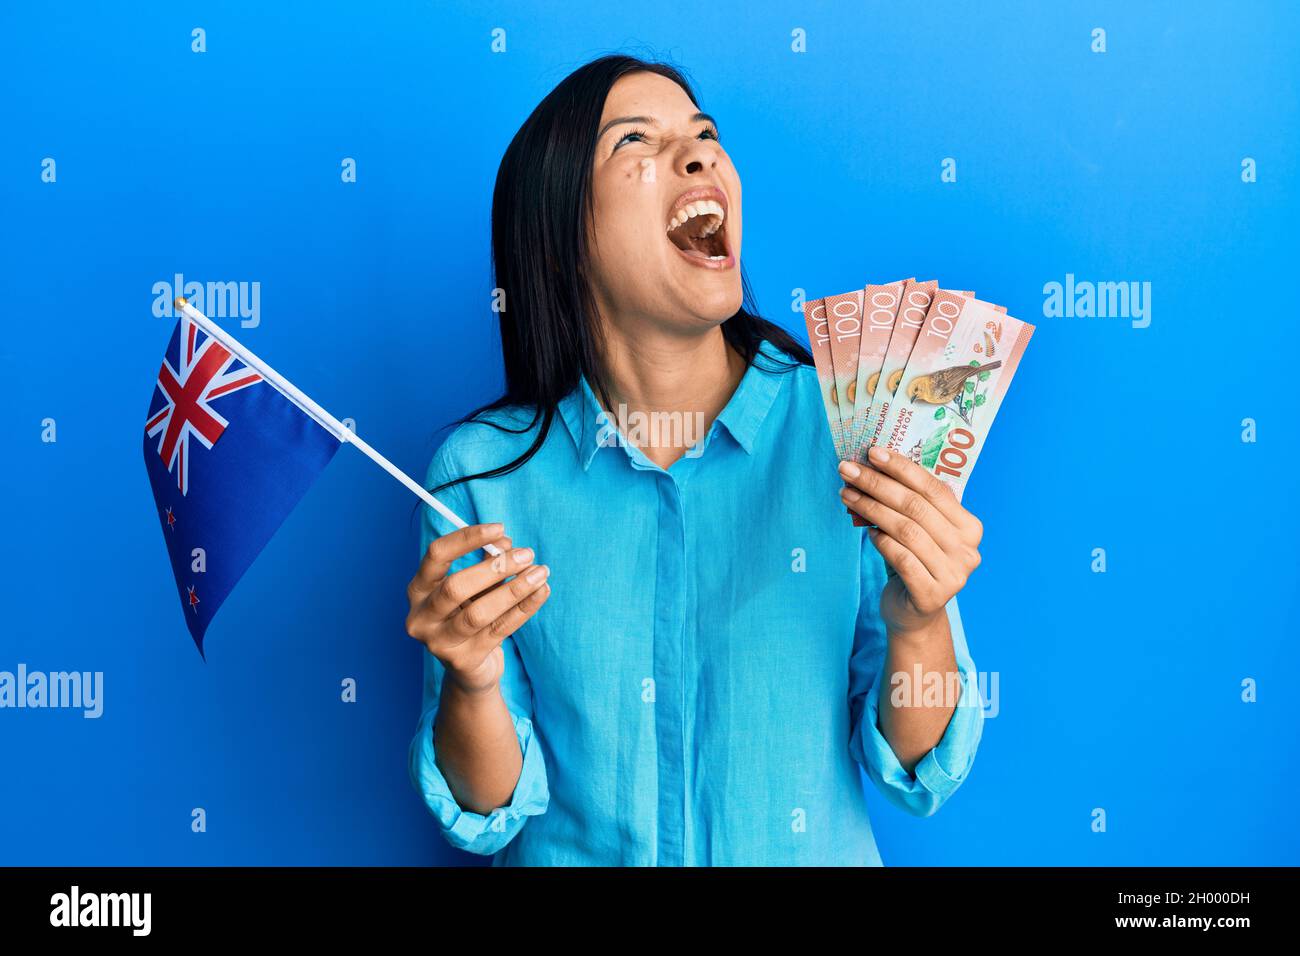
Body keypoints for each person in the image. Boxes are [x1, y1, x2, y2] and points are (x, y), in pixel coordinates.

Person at [405, 54, 986, 865]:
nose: (701, 153)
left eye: (706, 135)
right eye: (635, 140)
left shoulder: (851, 423)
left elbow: (916, 771)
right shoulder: (480, 474)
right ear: (563, 235)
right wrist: (469, 680)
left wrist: (918, 620)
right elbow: (486, 810)